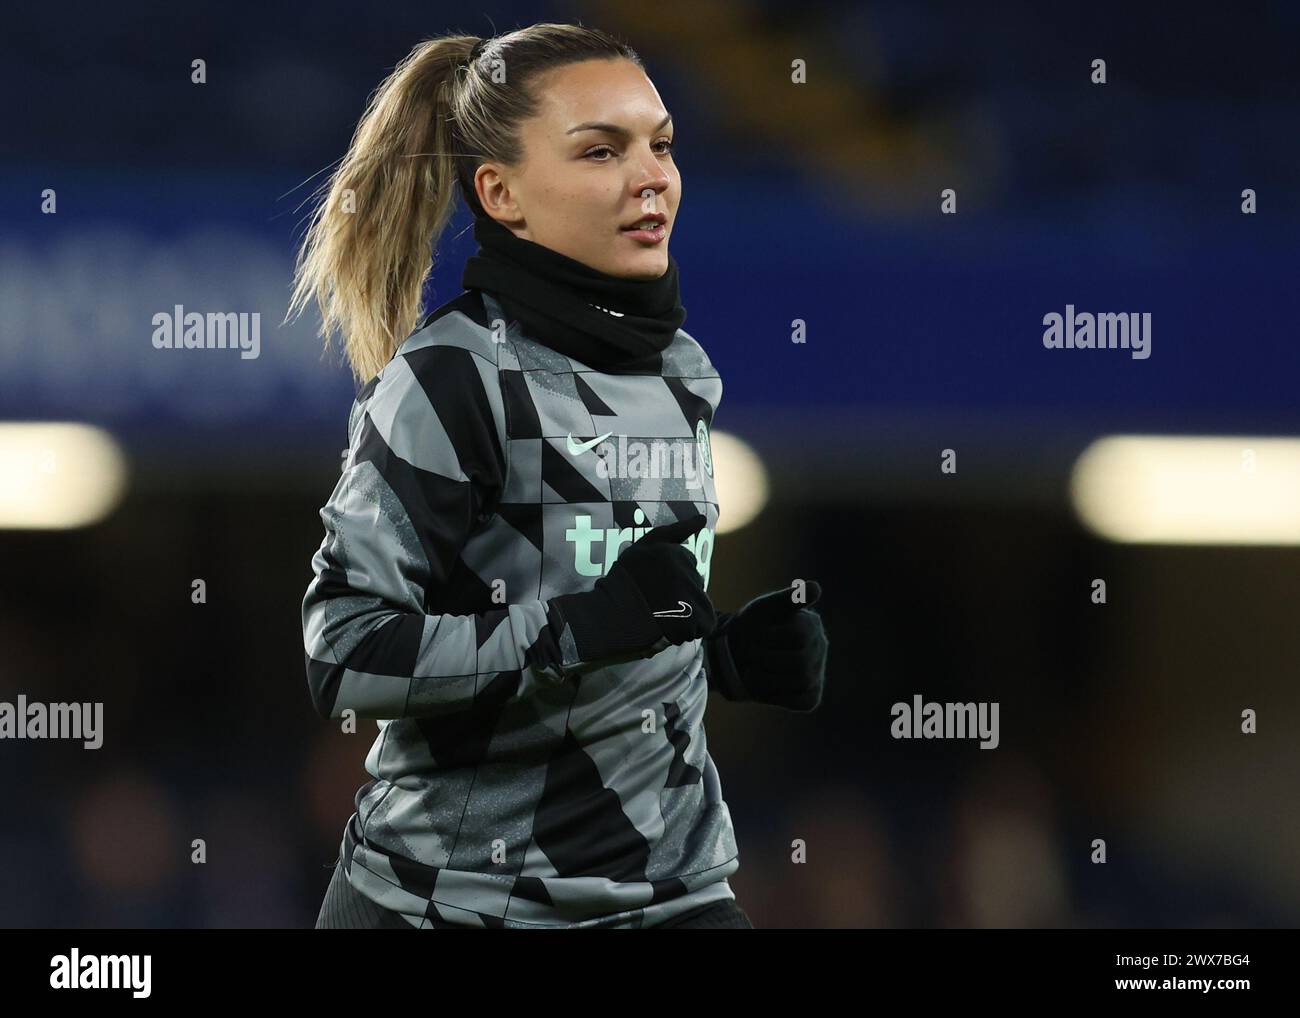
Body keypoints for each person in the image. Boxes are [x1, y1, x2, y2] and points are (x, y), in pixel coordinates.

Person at [288, 23, 829, 929]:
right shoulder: (452, 378)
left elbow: (613, 600)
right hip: (450, 904)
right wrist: (575, 633)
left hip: (674, 894)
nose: (650, 174)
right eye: (601, 151)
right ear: (502, 194)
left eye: (661, 144)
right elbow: (342, 653)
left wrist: (717, 651)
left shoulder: (682, 371)